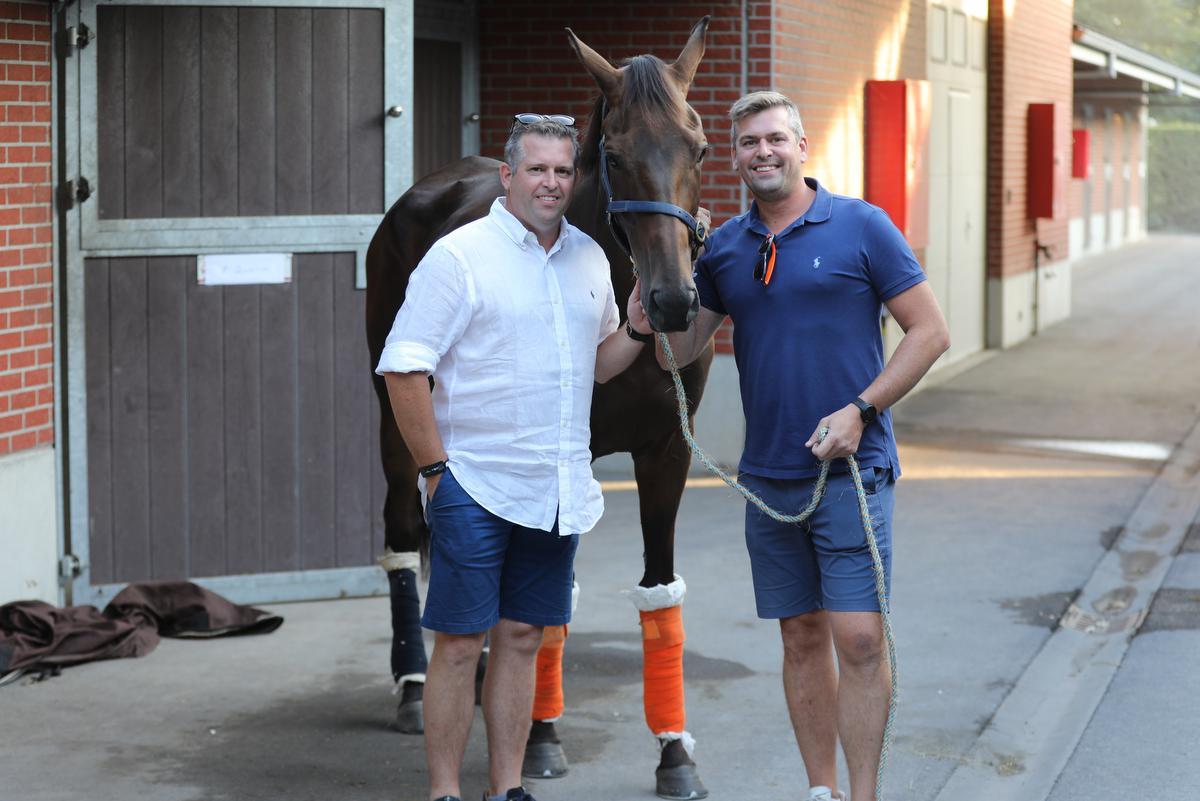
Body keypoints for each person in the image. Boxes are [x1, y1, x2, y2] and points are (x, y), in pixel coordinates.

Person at [661, 91, 951, 801]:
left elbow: (930, 332)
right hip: (768, 478)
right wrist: (651, 310)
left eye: (774, 139)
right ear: (734, 157)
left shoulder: (861, 226)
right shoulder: (726, 246)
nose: (762, 152)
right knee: (799, 637)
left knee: (857, 637)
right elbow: (681, 349)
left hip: (854, 471)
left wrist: (862, 408)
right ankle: (820, 790)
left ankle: (863, 793)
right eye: (748, 143)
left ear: (801, 145)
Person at [376, 115, 654, 801]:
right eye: (537, 169)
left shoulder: (590, 258)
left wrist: (641, 328)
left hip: (554, 486)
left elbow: (599, 364)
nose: (552, 183)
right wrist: (434, 471)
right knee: (461, 643)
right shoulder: (459, 255)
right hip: (471, 480)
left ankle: (506, 789)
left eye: (563, 171)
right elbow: (403, 368)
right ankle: (444, 791)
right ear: (508, 175)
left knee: (525, 635)